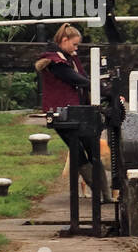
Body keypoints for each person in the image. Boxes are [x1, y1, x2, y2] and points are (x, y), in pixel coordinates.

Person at [35, 24, 111, 203]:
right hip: (62, 113)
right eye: (75, 45)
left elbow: (82, 79)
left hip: (75, 111)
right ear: (64, 41)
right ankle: (101, 192)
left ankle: (104, 194)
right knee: (78, 149)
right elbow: (77, 79)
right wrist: (103, 90)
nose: (76, 49)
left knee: (90, 148)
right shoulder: (55, 62)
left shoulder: (68, 59)